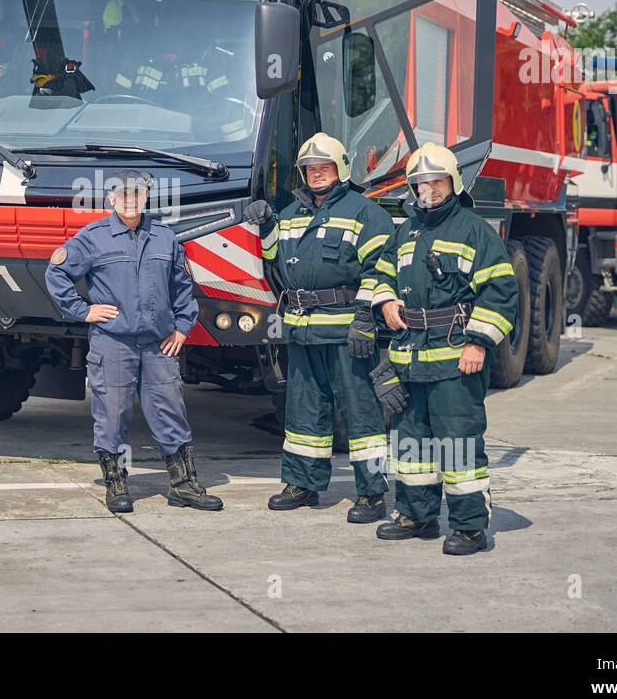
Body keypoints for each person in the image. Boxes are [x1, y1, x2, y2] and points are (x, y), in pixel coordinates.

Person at [370, 142, 519, 556]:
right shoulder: (406, 231)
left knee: (458, 442)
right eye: (421, 182)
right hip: (410, 358)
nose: (429, 189)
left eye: (437, 181)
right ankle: (416, 515)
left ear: (453, 182)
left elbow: (502, 291)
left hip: (456, 359)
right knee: (412, 442)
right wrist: (386, 301)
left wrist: (478, 342)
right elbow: (381, 273)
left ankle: (470, 527)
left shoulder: (474, 230)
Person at [44, 169, 222, 513]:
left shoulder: (164, 237)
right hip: (113, 342)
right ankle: (116, 484)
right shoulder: (93, 237)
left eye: (137, 193)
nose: (130, 199)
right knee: (112, 413)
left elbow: (182, 287)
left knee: (170, 410)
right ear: (111, 198)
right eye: (123, 193)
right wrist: (83, 311)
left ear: (145, 197)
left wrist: (182, 328)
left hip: (158, 343)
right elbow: (57, 272)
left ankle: (183, 485)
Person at [248, 133, 394, 517]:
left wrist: (365, 318)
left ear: (340, 168)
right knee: (303, 410)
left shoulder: (366, 213)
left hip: (347, 332)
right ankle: (302, 484)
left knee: (361, 410)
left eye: (323, 167)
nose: (316, 174)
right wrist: (267, 226)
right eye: (309, 168)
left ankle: (372, 493)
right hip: (301, 330)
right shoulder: (291, 214)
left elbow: (381, 270)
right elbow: (274, 258)